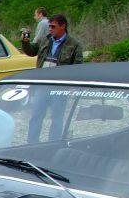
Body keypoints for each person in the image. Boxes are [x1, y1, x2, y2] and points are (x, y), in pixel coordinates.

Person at [21, 13, 84, 142]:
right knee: (36, 116)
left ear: (63, 26)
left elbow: (78, 68)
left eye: (53, 26)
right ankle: (31, 144)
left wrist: (73, 86)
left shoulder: (74, 44)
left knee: (57, 118)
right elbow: (32, 51)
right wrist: (25, 42)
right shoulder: (46, 39)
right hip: (42, 86)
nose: (50, 29)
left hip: (60, 88)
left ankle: (53, 144)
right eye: (50, 26)